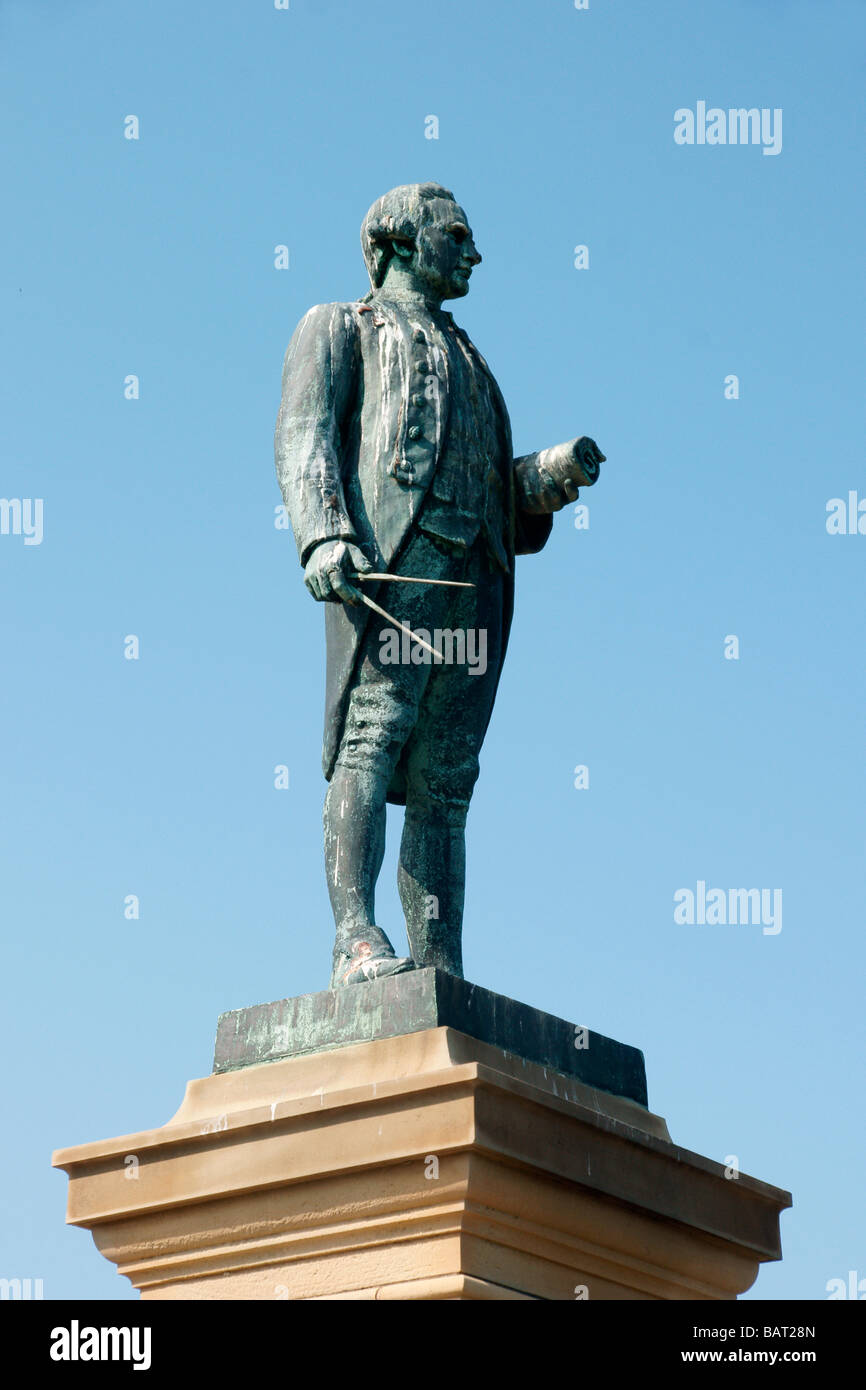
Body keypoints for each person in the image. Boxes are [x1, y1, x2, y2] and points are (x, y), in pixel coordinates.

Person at [275, 182, 603, 987]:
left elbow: (496, 484)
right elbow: (305, 435)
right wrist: (323, 535)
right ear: (395, 239)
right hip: (390, 570)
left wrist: (550, 479)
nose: (473, 252)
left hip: (476, 578)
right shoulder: (336, 327)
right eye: (455, 234)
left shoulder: (475, 360)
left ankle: (440, 967)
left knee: (448, 777)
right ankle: (355, 939)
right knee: (373, 737)